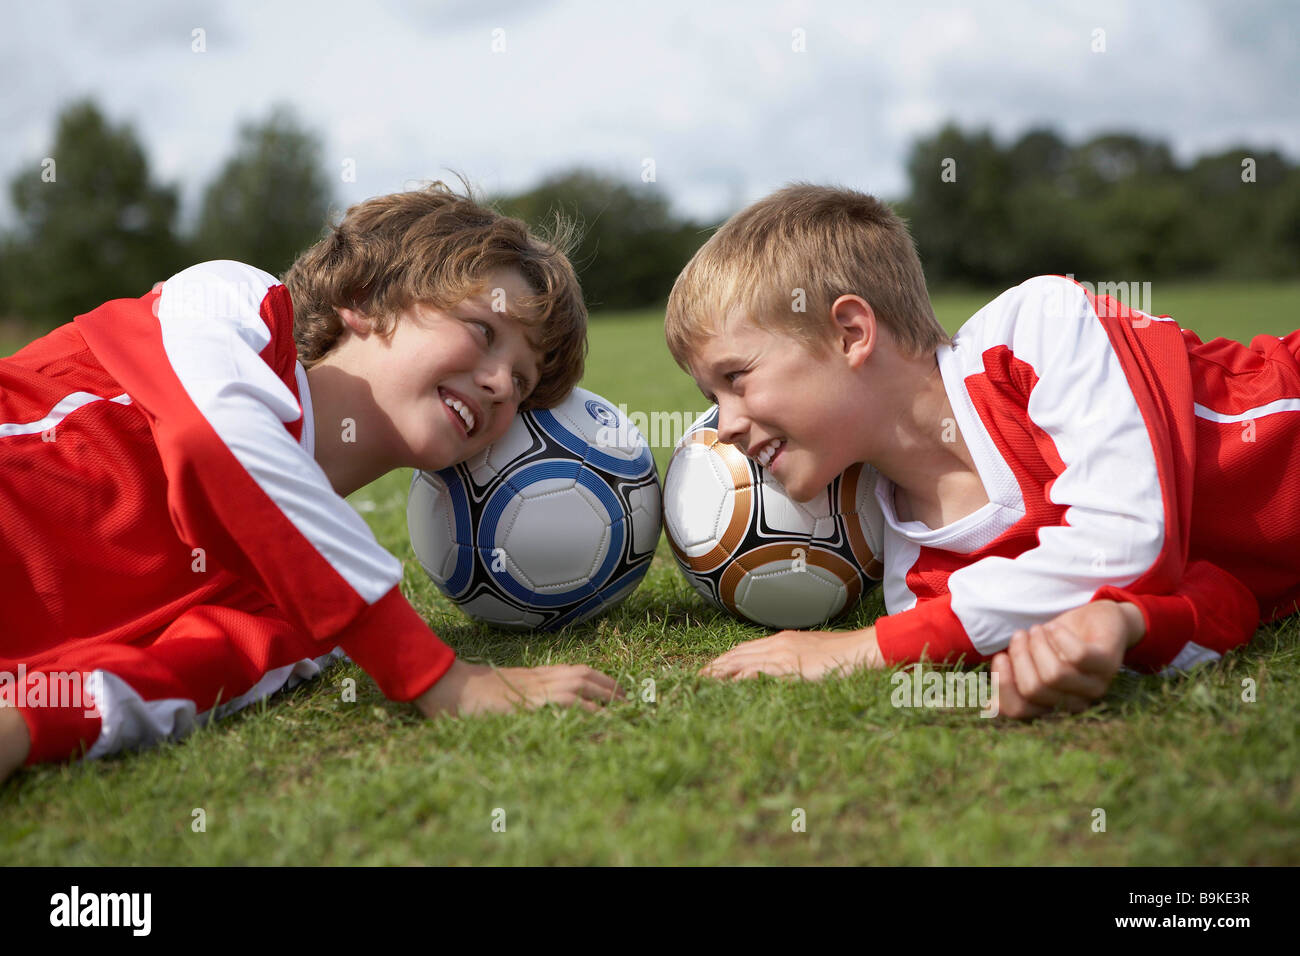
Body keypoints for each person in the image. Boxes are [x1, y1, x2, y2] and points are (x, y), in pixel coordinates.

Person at [0, 182, 623, 784]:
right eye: (483, 332)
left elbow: (169, 675)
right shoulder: (231, 304)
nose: (498, 384)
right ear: (365, 296)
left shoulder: (320, 616)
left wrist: (24, 726)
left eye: (521, 382)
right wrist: (435, 675)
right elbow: (214, 443)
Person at [665, 183, 1298, 718]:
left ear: (851, 333)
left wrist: (863, 649)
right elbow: (1223, 593)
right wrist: (1124, 631)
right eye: (710, 396)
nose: (722, 424)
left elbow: (1128, 542)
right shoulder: (918, 584)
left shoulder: (1036, 330)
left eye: (736, 378)